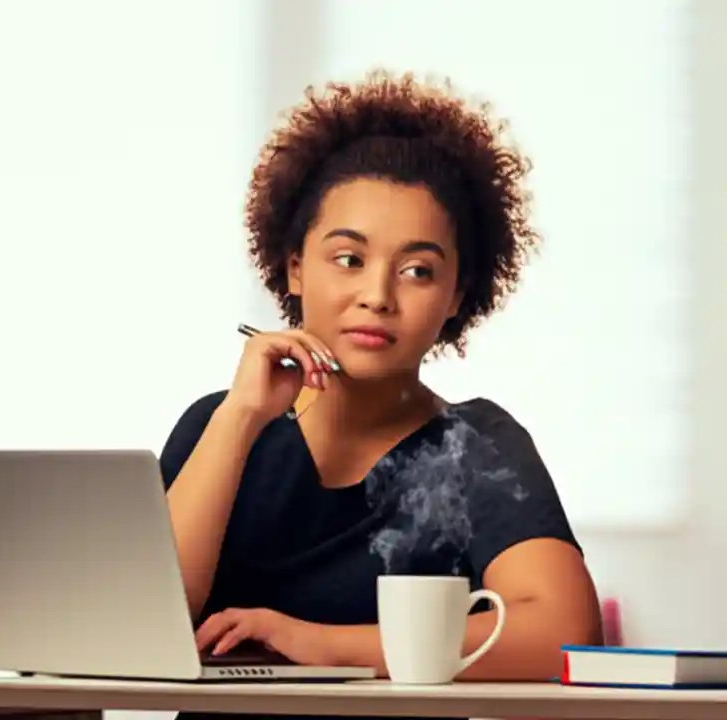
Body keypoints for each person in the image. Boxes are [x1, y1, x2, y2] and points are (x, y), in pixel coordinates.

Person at [159, 70, 602, 711]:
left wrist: (319, 645)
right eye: (348, 259)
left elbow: (564, 632)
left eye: (418, 271)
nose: (377, 296)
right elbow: (149, 623)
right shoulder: (219, 424)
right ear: (294, 267)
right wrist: (241, 417)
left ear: (455, 297)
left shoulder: (475, 446)